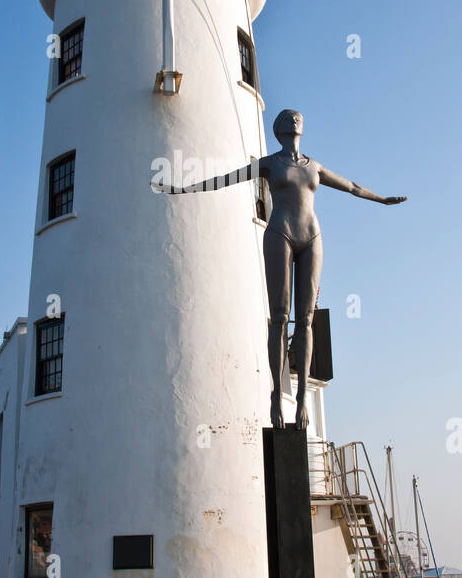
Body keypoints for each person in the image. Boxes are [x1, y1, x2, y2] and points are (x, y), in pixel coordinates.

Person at [155, 109, 406, 428]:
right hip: (280, 233)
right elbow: (225, 178)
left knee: (306, 320)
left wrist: (381, 199)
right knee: (280, 317)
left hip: (312, 235)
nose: (295, 120)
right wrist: (181, 189)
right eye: (288, 118)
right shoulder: (270, 163)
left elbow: (353, 186)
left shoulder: (314, 166)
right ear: (278, 129)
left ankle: (301, 400)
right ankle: (276, 395)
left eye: (298, 117)